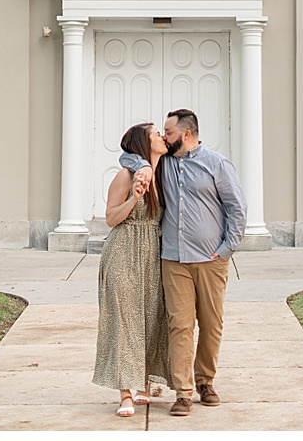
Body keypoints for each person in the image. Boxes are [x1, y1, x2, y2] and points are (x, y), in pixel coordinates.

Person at [121, 108, 246, 417]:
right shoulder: (163, 164)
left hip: (211, 260)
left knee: (212, 323)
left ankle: (206, 382)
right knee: (180, 325)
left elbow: (237, 208)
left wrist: (227, 248)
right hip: (173, 259)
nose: (164, 137)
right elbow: (126, 156)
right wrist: (142, 166)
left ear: (187, 135)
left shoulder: (217, 164)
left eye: (170, 132)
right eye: (162, 132)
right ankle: (183, 392)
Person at [92, 122, 172, 417]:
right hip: (124, 250)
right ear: (143, 142)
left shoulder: (163, 173)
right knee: (123, 320)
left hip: (153, 252)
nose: (162, 137)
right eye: (155, 135)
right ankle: (125, 393)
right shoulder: (125, 176)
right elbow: (111, 218)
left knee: (151, 318)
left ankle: (144, 385)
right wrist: (135, 198)